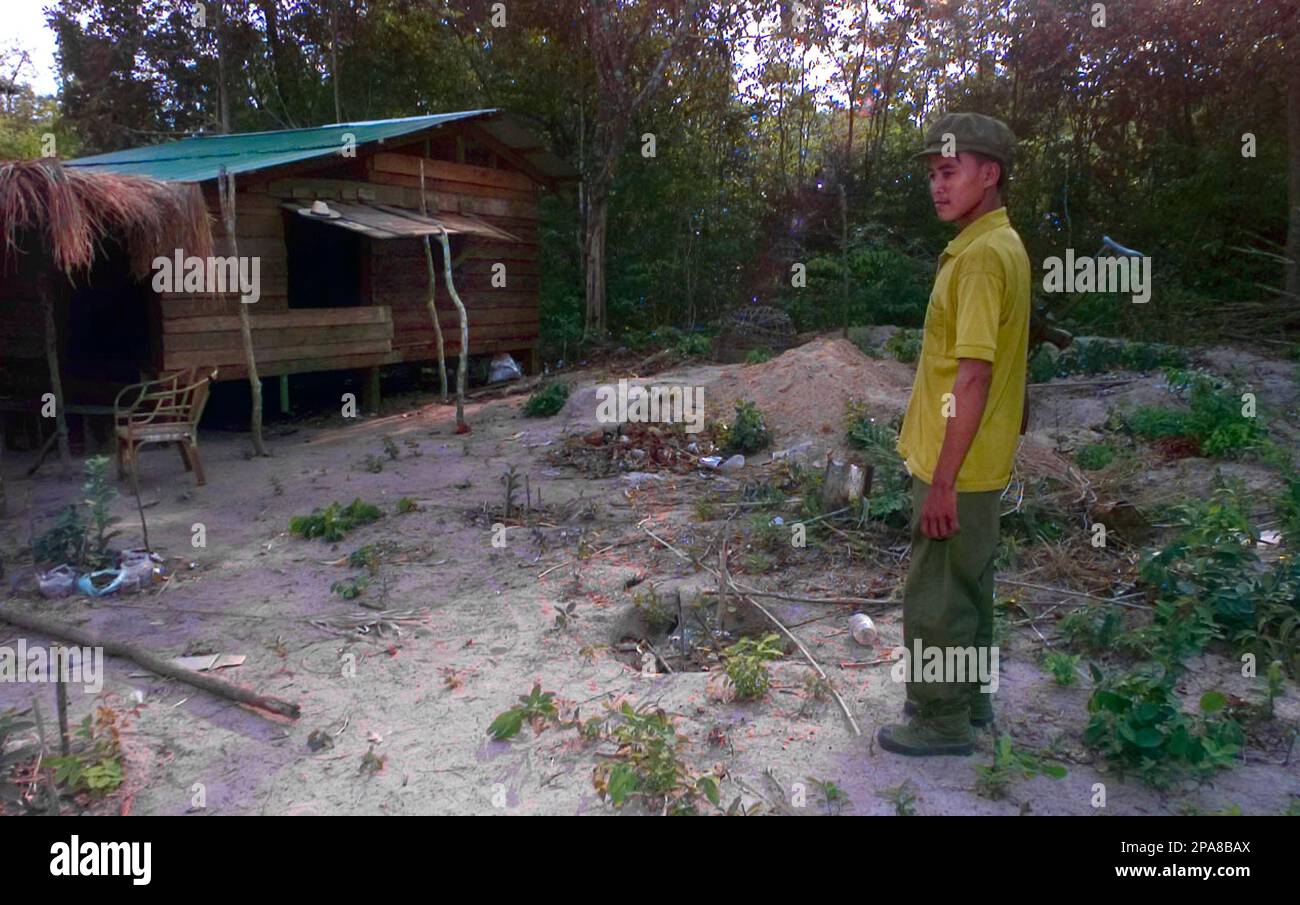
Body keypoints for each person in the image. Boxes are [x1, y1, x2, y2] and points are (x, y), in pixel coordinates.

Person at [877, 112, 1031, 757]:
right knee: (969, 585)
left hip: (957, 465)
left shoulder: (978, 262)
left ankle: (940, 722)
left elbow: (972, 378)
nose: (937, 187)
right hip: (982, 460)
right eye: (933, 175)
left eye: (949, 172)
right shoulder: (1001, 246)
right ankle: (970, 703)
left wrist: (942, 481)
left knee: (937, 596)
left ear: (987, 174)